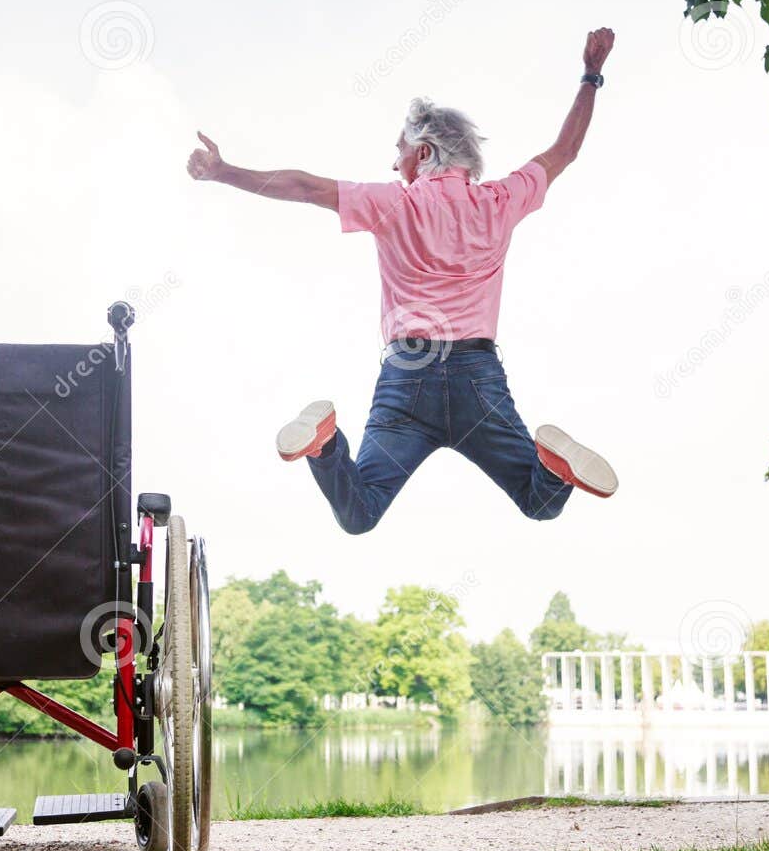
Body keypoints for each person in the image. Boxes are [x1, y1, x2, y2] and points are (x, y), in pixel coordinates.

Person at [186, 28, 620, 535]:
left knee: (358, 513)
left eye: (400, 150)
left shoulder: (393, 202)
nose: (394, 162)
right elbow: (564, 151)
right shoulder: (501, 201)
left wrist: (222, 172)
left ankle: (325, 445)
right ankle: (553, 467)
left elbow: (304, 186)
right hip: (478, 380)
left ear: (424, 151)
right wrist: (591, 73)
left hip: (406, 377)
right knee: (539, 502)